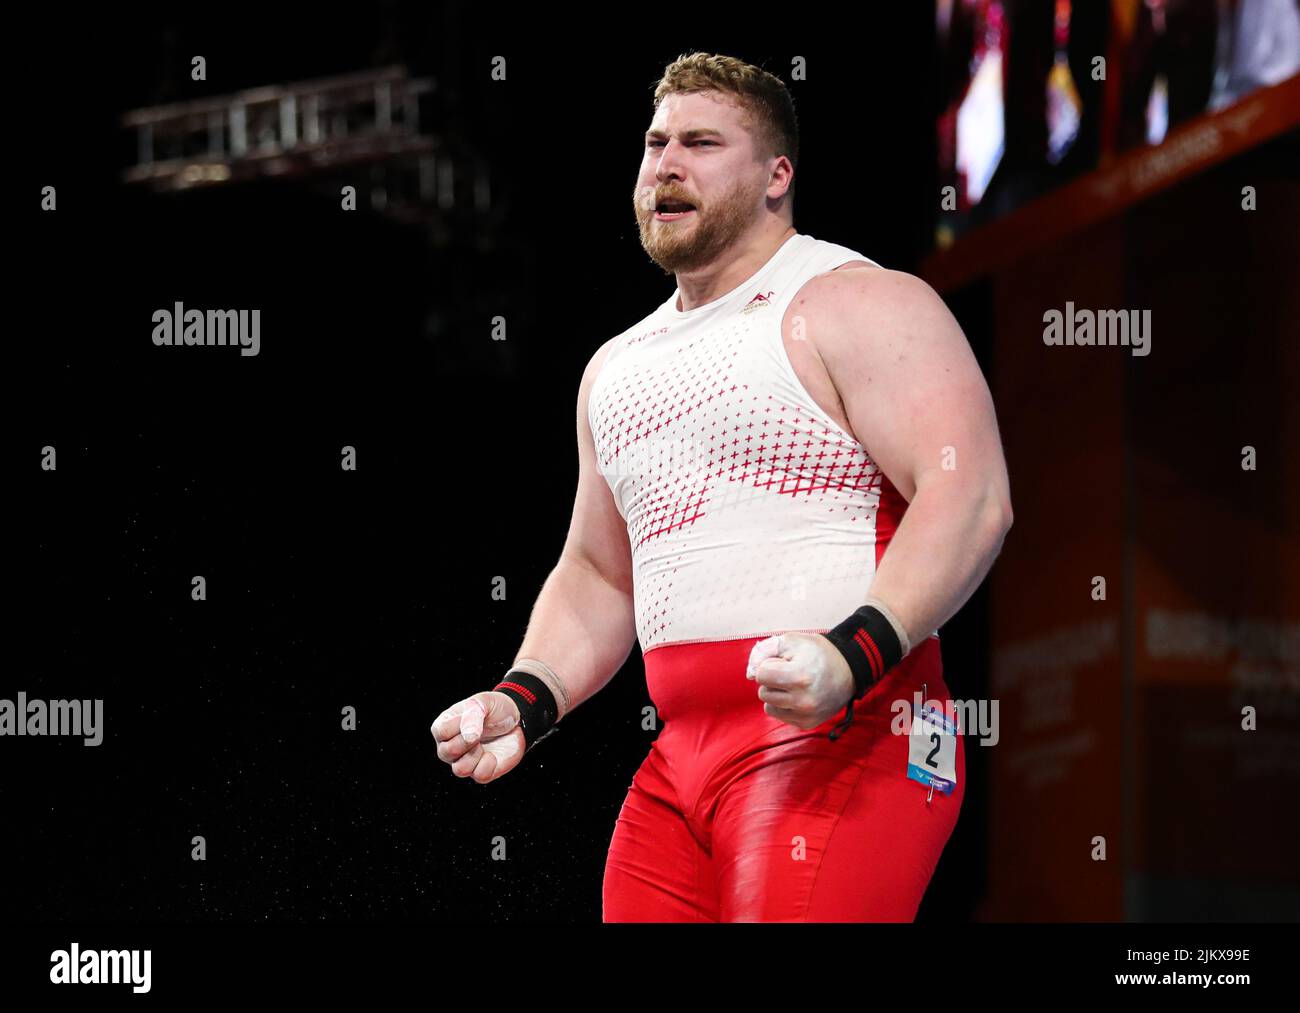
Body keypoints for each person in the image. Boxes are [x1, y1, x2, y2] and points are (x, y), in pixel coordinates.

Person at [431, 51, 1013, 922]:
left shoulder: (860, 305)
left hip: (849, 735)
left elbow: (971, 497)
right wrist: (525, 694)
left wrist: (850, 652)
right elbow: (598, 573)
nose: (666, 163)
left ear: (778, 174)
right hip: (680, 765)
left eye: (700, 143)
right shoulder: (614, 369)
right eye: (655, 141)